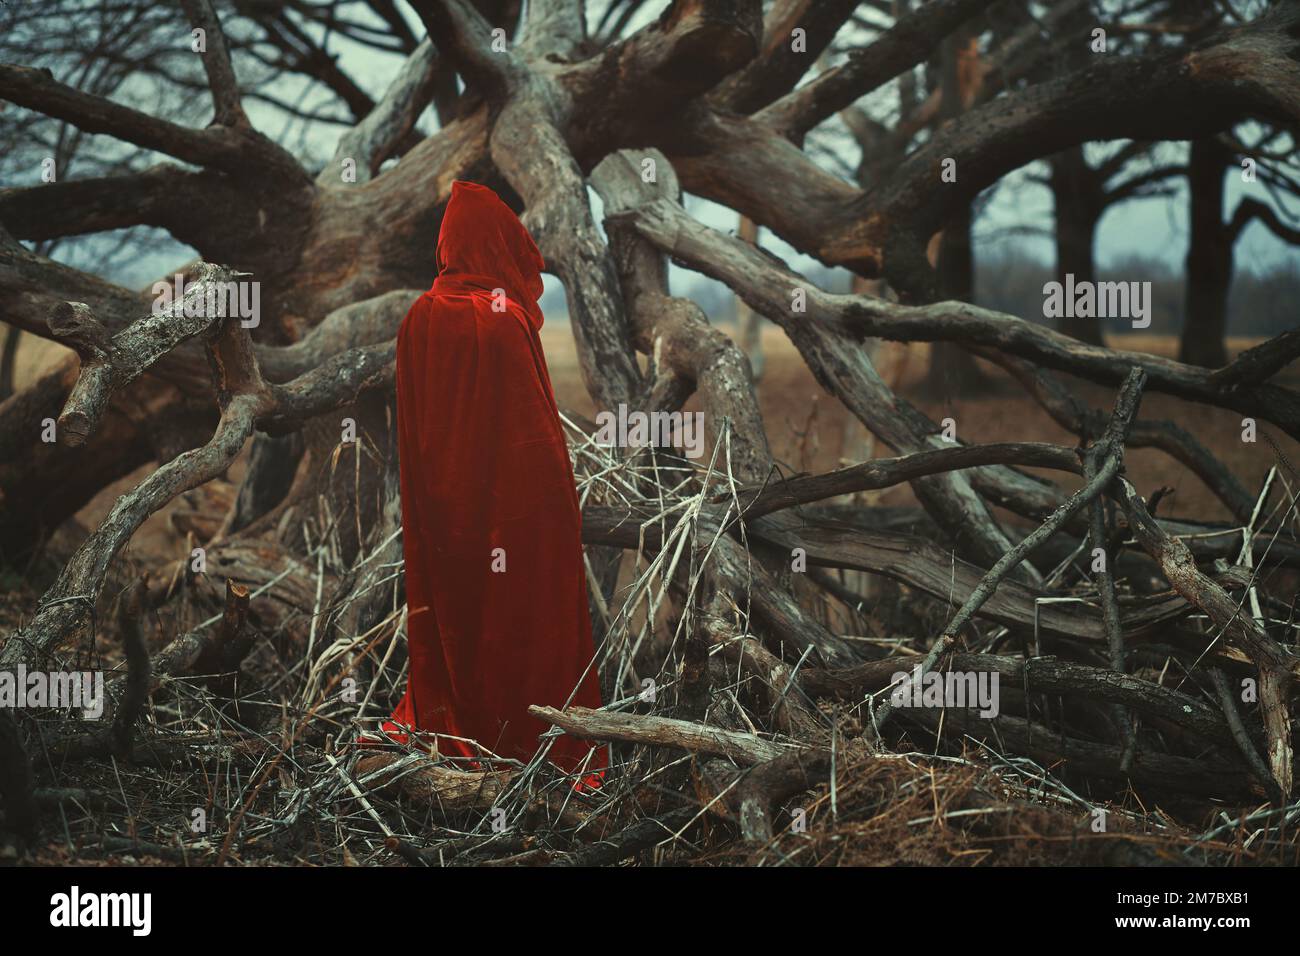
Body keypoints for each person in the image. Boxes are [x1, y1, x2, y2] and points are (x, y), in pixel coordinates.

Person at [376, 180, 605, 780]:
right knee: (520, 620)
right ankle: (533, 746)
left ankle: (463, 729)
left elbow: (416, 435)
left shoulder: (418, 318)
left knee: (459, 624)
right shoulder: (499, 321)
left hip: (439, 518)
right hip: (513, 517)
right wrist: (559, 515)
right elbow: (537, 446)